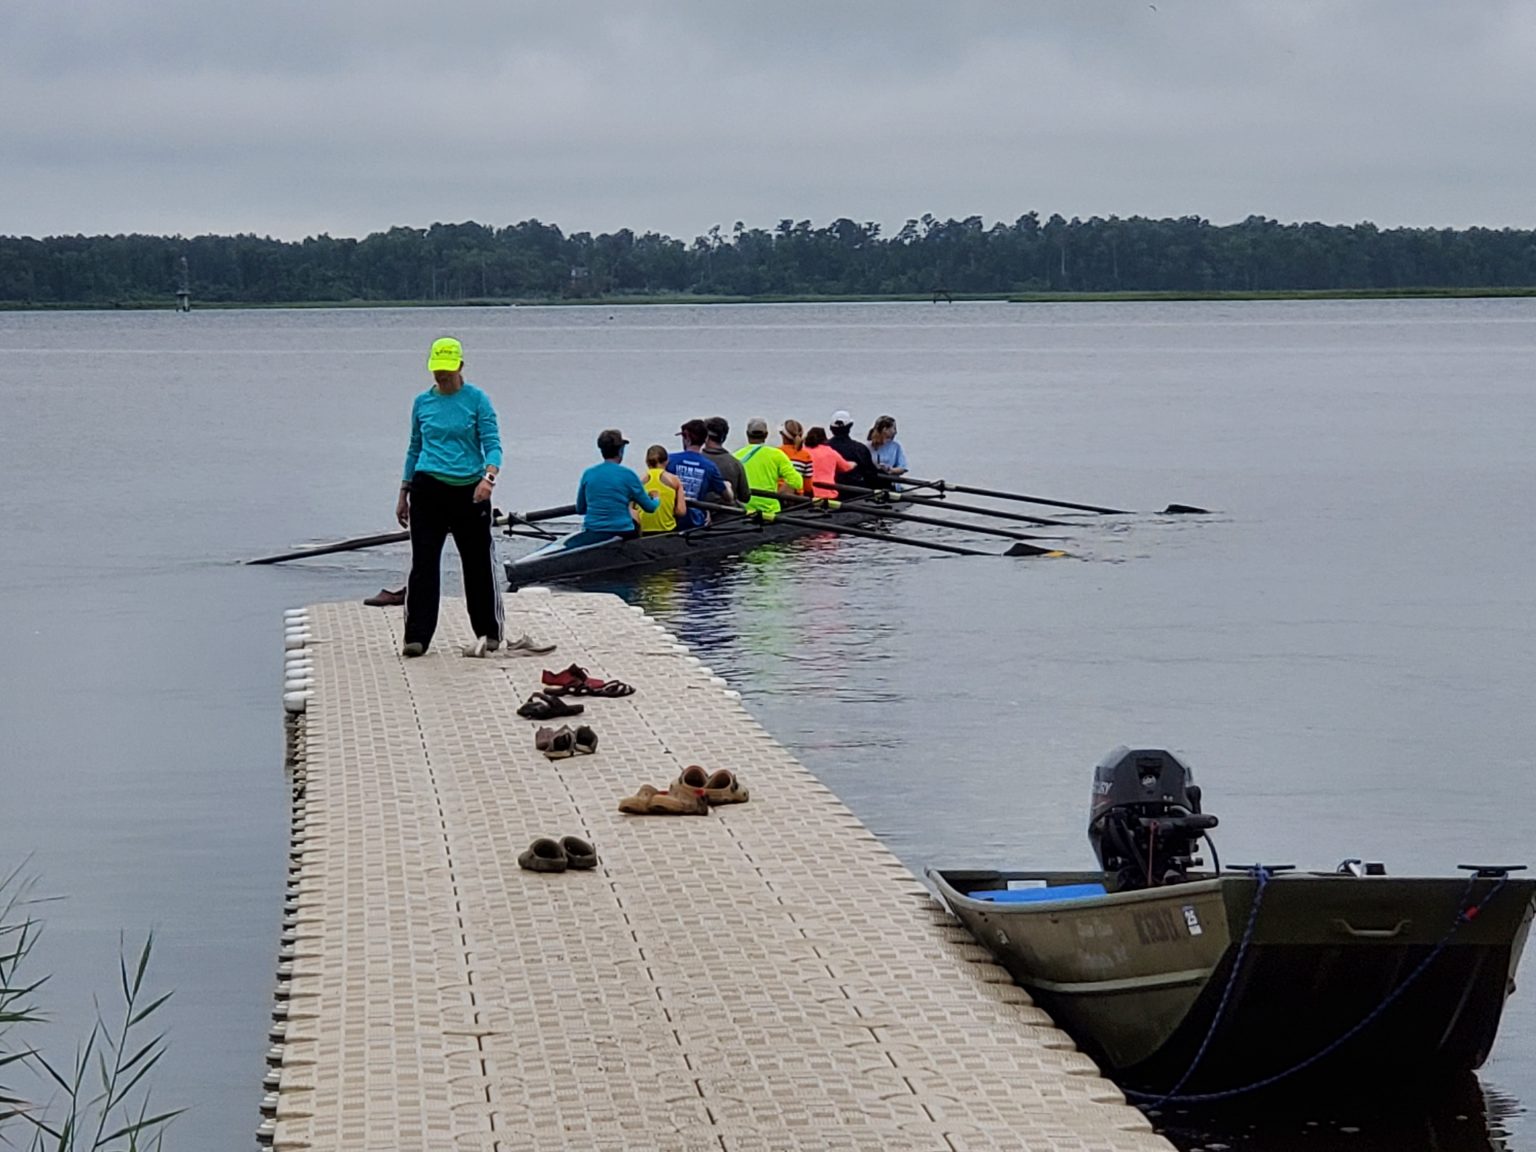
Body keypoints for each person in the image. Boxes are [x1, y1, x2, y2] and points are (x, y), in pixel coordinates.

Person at [397, 336, 504, 657]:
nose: (440, 376)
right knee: (424, 563)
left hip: (470, 489)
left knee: (477, 563)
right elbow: (414, 447)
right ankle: (416, 637)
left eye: (446, 370)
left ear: (459, 366)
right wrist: (403, 491)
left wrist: (489, 479)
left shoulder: (477, 400)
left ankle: (489, 630)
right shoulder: (422, 402)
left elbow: (493, 445)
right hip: (427, 486)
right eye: (436, 370)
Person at [573, 428, 658, 546]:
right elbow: (650, 508)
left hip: (593, 530)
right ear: (621, 450)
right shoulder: (628, 475)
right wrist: (656, 499)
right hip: (622, 531)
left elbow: (580, 509)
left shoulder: (588, 474)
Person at [733, 417, 803, 515]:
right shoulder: (776, 454)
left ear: (747, 434)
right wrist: (780, 493)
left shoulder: (735, 456)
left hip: (743, 510)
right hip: (770, 511)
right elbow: (797, 482)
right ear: (766, 435)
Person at [668, 418, 729, 527]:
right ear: (705, 439)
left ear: (687, 438)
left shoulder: (668, 460)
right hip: (695, 521)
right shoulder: (710, 467)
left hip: (670, 518)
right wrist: (727, 486)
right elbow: (728, 498)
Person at [636, 444, 687, 534]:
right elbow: (681, 511)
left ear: (646, 462)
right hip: (667, 530)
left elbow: (631, 509)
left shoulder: (638, 481)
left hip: (643, 531)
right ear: (667, 461)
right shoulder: (674, 480)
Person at [701, 416, 748, 508]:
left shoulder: (697, 460)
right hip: (728, 516)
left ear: (705, 436)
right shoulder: (735, 464)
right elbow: (745, 497)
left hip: (701, 513)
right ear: (724, 437)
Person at [828, 410, 881, 490]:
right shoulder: (860, 449)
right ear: (850, 426)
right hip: (856, 493)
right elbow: (871, 475)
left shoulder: (823, 448)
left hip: (829, 490)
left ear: (831, 428)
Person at [804, 425, 855, 500]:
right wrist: (854, 464)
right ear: (824, 438)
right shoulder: (830, 452)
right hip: (829, 493)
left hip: (809, 494)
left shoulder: (803, 452)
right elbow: (846, 467)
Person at [778, 419, 814, 492]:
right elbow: (807, 486)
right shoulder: (805, 456)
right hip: (798, 499)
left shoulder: (776, 452)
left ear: (783, 436)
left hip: (777, 496)